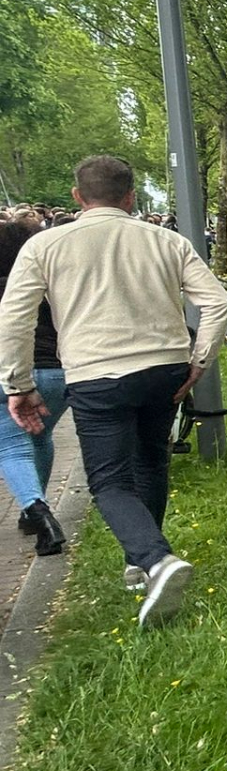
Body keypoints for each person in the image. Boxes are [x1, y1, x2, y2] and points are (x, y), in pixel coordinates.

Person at [0, 156, 227, 626]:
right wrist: (200, 361)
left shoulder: (44, 245)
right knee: (152, 459)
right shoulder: (167, 240)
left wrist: (18, 383)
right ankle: (143, 561)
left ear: (77, 196)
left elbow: (16, 316)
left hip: (96, 372)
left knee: (108, 480)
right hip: (166, 367)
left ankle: (156, 559)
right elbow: (218, 301)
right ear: (130, 197)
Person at [0, 215, 67, 556]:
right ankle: (33, 511)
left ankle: (38, 512)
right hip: (57, 371)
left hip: (9, 373)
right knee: (41, 436)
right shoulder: (50, 281)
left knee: (11, 446)